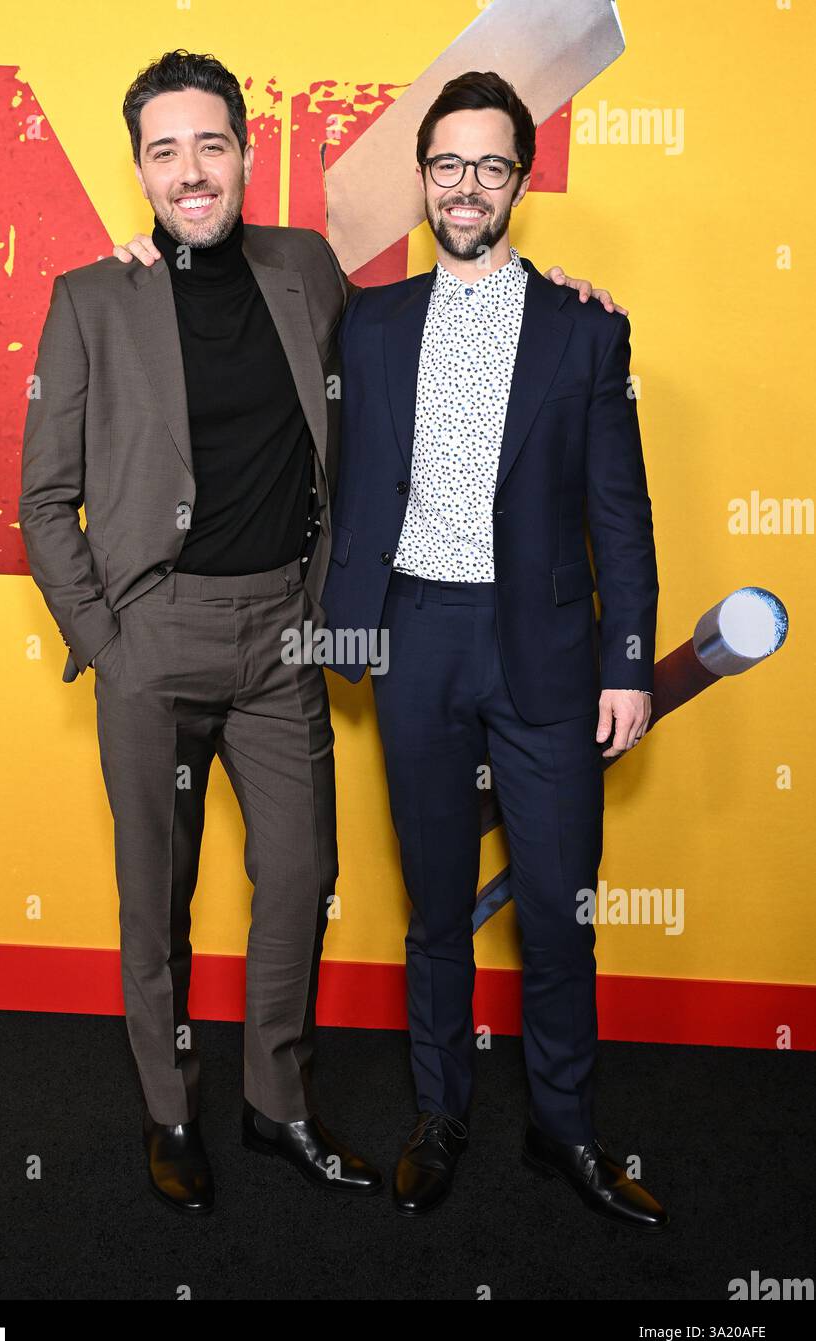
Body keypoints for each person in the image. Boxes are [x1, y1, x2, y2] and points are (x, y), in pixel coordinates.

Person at [27, 46, 616, 1217]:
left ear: (244, 152)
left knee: (300, 876)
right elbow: (46, 499)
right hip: (151, 629)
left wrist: (571, 302)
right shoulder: (93, 296)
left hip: (286, 634)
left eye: (210, 144)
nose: (190, 171)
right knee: (158, 891)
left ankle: (275, 1104)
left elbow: (435, 336)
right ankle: (171, 1110)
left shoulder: (304, 269)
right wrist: (105, 638)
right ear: (138, 167)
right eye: (164, 150)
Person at [319, 71, 667, 1227]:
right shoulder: (366, 322)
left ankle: (564, 1131)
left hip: (549, 652)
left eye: (490, 166)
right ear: (421, 178)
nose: (465, 187)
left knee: (558, 908)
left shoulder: (585, 327)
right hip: (414, 632)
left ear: (519, 178)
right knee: (432, 909)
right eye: (446, 165)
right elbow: (344, 490)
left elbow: (618, 509)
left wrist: (627, 659)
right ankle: (439, 1113)